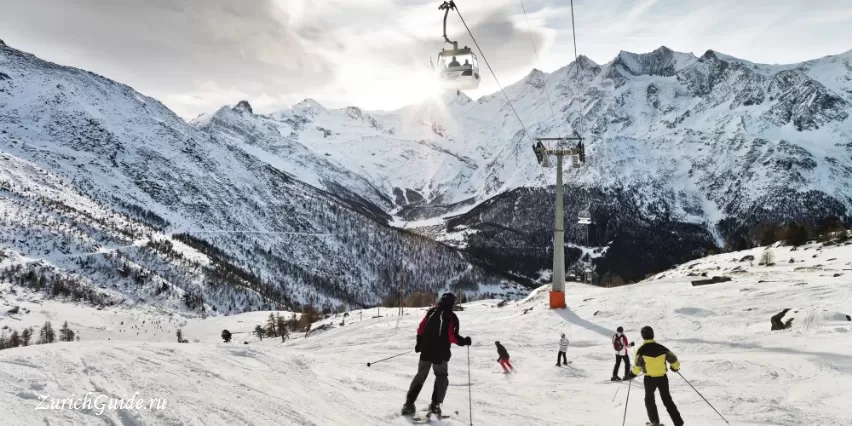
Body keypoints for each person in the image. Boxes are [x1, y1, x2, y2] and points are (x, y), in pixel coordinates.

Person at [402, 293, 472, 417]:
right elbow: (452, 336)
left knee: (421, 375)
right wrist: (464, 341)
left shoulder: (431, 312)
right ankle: (435, 406)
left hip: (426, 351)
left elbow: (420, 329)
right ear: (452, 303)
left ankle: (408, 404)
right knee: (441, 376)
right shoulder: (451, 317)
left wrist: (419, 343)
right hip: (440, 354)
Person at [631, 326, 684, 426]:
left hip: (649, 379)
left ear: (643, 336)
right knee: (667, 399)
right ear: (653, 335)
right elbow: (674, 360)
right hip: (662, 378)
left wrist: (631, 374)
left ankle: (655, 422)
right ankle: (678, 422)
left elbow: (637, 368)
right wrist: (675, 368)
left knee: (649, 399)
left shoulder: (640, 350)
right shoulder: (662, 348)